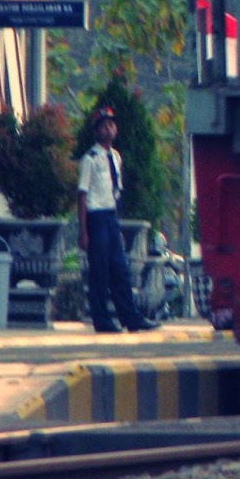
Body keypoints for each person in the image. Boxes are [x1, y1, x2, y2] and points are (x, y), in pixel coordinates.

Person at [77, 106, 157, 333]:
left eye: (111, 125)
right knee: (99, 271)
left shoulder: (116, 157)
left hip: (111, 218)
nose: (108, 129)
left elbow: (116, 193)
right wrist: (83, 231)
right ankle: (101, 320)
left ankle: (131, 317)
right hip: (95, 217)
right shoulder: (90, 159)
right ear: (96, 132)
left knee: (120, 269)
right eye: (103, 126)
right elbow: (82, 195)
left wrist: (117, 224)